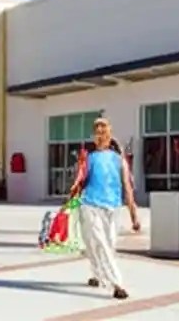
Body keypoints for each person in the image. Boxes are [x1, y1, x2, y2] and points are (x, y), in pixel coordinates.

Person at [68, 118, 140, 301]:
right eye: (97, 133)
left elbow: (127, 187)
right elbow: (78, 182)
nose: (100, 136)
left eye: (103, 133)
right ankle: (118, 284)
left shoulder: (119, 160)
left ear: (109, 136)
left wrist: (134, 215)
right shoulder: (88, 158)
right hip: (90, 205)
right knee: (99, 243)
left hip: (113, 207)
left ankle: (98, 274)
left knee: (109, 244)